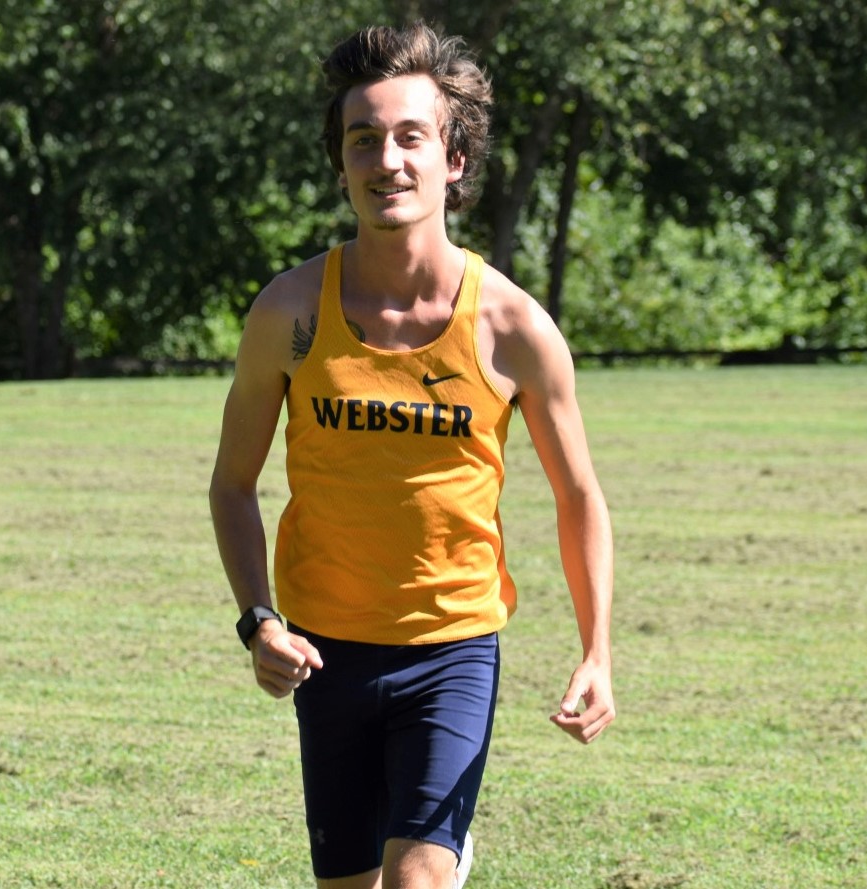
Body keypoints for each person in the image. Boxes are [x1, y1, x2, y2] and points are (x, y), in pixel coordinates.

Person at [209, 21, 615, 889]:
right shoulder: (287, 314)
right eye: (363, 140)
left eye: (409, 137)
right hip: (326, 650)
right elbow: (232, 484)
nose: (385, 159)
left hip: (452, 647)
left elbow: (579, 494)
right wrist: (259, 621)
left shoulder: (512, 327)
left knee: (415, 884)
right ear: (340, 162)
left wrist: (595, 651)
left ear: (453, 159)